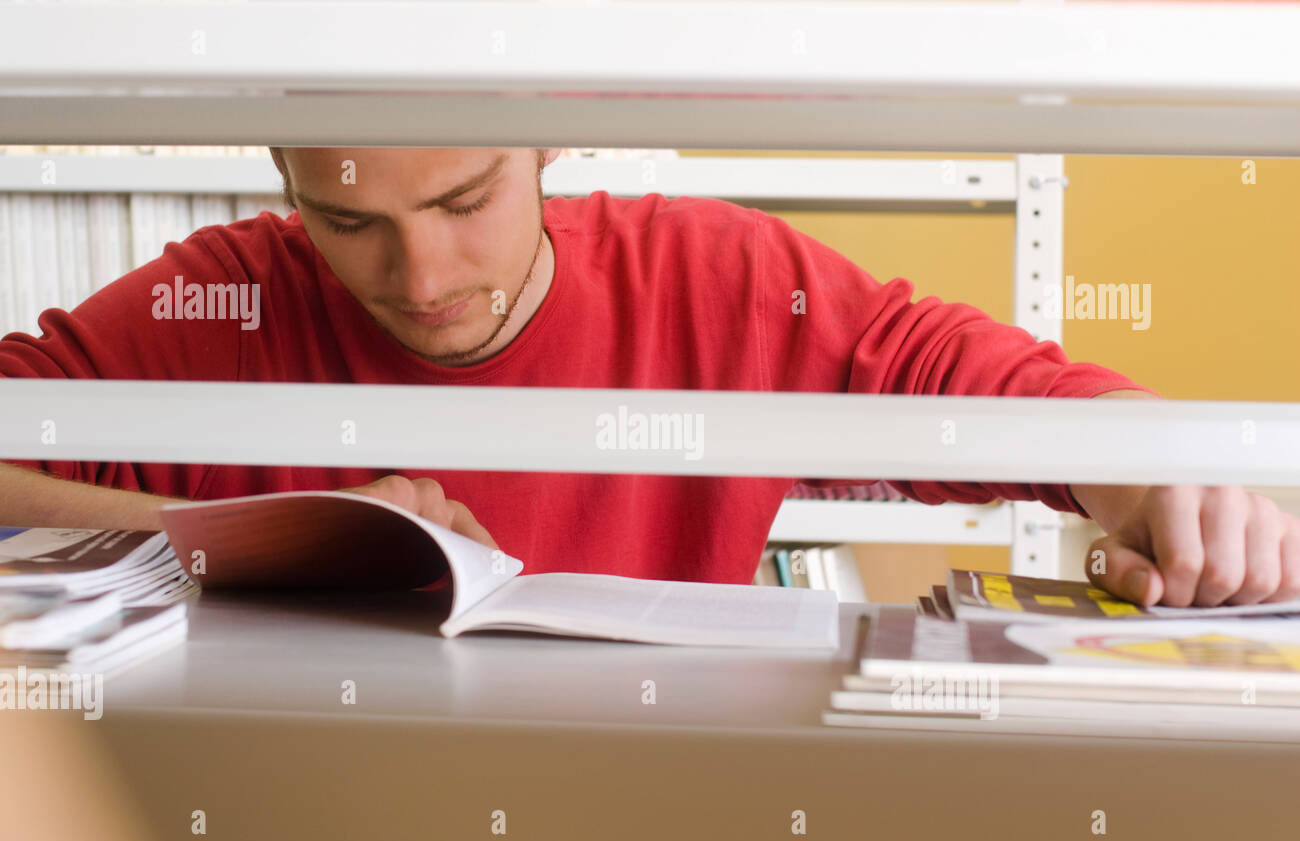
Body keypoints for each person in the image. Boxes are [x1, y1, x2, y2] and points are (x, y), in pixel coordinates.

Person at [2, 147, 1296, 608]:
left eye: (467, 198)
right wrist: (270, 544)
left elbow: (994, 389)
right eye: (348, 223)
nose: (423, 272)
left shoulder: (718, 278)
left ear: (548, 130)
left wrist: (1165, 481)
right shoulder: (219, 297)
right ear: (286, 180)